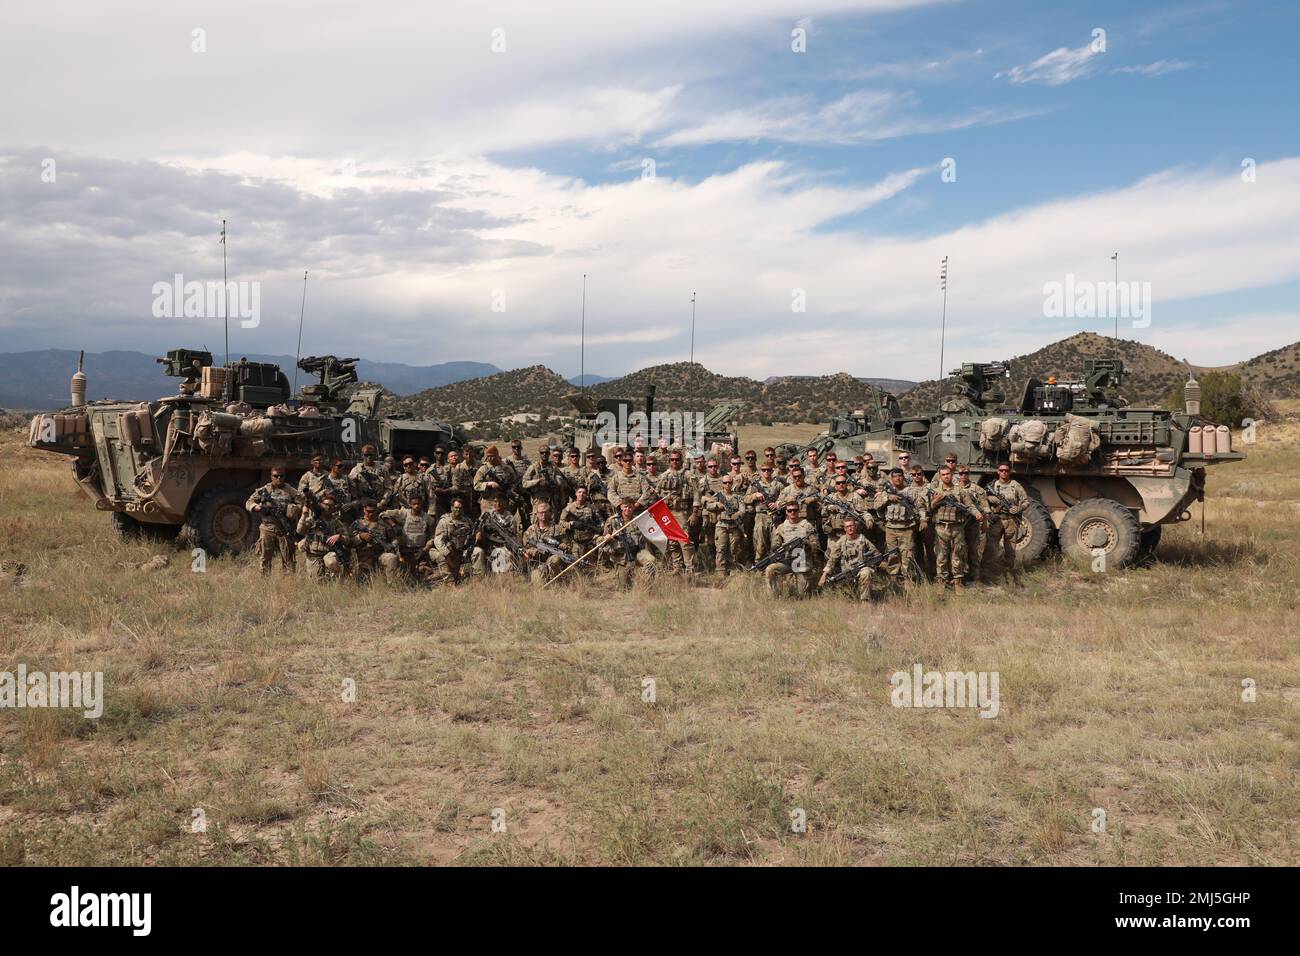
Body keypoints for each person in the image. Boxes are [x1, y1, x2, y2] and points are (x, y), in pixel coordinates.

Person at [872, 468, 928, 591]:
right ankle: (893, 580)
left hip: (907, 529)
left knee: (907, 555)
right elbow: (875, 506)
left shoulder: (911, 492)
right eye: (895, 476)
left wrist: (923, 520)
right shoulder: (885, 492)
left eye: (900, 476)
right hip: (891, 528)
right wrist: (887, 498)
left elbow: (921, 507)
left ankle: (907, 579)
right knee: (892, 555)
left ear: (903, 477)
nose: (898, 478)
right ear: (891, 479)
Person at [929, 468, 984, 591]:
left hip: (957, 528)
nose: (946, 476)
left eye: (948, 474)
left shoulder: (961, 491)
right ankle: (942, 582)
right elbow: (928, 509)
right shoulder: (935, 492)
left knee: (957, 556)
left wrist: (977, 514)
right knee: (941, 557)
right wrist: (935, 502)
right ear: (940, 476)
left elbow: (970, 506)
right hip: (941, 528)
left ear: (952, 475)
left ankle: (958, 582)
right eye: (943, 475)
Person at [246, 468, 303, 575]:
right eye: (276, 476)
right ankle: (264, 583)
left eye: (281, 476)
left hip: (284, 528)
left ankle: (289, 584)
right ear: (271, 477)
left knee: (288, 559)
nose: (279, 478)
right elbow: (249, 502)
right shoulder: (264, 490)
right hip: (268, 527)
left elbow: (301, 503)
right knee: (265, 558)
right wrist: (256, 507)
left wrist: (290, 509)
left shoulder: (290, 490)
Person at [818, 514, 881, 602]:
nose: (850, 528)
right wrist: (824, 575)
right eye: (847, 527)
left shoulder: (863, 539)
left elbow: (876, 553)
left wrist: (876, 564)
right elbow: (832, 559)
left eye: (851, 526)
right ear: (844, 529)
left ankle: (865, 601)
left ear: (855, 526)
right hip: (847, 573)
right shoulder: (841, 542)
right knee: (848, 598)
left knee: (865, 573)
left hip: (861, 570)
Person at [984, 463, 1029, 586]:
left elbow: (1026, 502)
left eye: (1006, 470)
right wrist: (990, 501)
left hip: (1011, 520)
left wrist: (1019, 508)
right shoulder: (993, 485)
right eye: (1001, 470)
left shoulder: (1015, 485)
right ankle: (988, 574)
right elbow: (983, 499)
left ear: (1010, 472)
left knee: (1010, 549)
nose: (1004, 472)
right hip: (996, 520)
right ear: (998, 472)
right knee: (991, 547)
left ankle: (1008, 573)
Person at [653, 449, 697, 575]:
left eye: (677, 459)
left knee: (685, 540)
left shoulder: (687, 475)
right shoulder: (664, 476)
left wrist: (695, 512)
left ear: (681, 461)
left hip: (682, 513)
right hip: (668, 513)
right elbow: (657, 494)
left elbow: (697, 492)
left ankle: (690, 569)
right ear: (669, 461)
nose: (674, 462)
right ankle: (677, 567)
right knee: (672, 541)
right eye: (672, 459)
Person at [379, 494, 438, 584]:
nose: (417, 506)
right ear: (410, 504)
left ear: (421, 504)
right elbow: (383, 514)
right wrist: (393, 525)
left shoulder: (427, 518)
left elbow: (433, 536)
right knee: (407, 574)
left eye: (418, 504)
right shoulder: (404, 513)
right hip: (406, 550)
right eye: (414, 504)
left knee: (423, 573)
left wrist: (425, 549)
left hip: (421, 550)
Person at [600, 499, 657, 589]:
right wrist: (607, 537)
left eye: (630, 507)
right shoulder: (612, 520)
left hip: (637, 553)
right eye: (625, 506)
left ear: (633, 507)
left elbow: (647, 536)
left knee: (651, 562)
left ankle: (647, 589)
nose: (628, 509)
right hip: (621, 557)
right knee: (624, 588)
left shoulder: (638, 519)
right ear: (621, 507)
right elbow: (602, 538)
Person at [764, 504, 818, 597]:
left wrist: (807, 545)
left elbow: (816, 546)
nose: (792, 512)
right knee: (770, 569)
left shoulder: (807, 526)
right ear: (786, 512)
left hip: (802, 562)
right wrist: (781, 550)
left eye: (795, 510)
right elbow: (775, 546)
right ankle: (774, 598)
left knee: (802, 595)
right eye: (789, 510)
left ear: (799, 511)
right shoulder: (781, 527)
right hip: (787, 561)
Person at [297, 491, 349, 579]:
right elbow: (300, 531)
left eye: (331, 505)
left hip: (329, 553)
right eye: (326, 504)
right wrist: (304, 514)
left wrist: (339, 537)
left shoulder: (335, 522)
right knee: (316, 582)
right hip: (313, 554)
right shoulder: (312, 519)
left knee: (332, 562)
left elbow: (347, 539)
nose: (328, 507)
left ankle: (337, 582)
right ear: (321, 505)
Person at [705, 474, 745, 575]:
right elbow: (708, 505)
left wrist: (738, 514)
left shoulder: (738, 496)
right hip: (721, 525)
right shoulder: (718, 496)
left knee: (734, 549)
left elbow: (743, 510)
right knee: (721, 548)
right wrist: (716, 505)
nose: (727, 484)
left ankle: (733, 569)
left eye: (729, 482)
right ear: (722, 484)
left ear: (732, 483)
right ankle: (720, 571)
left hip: (734, 526)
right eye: (725, 482)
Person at [522, 502, 569, 585]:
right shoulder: (530, 530)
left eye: (545, 512)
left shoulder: (557, 528)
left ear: (550, 513)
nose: (543, 515)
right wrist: (532, 551)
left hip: (551, 560)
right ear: (537, 514)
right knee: (538, 583)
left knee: (556, 559)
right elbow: (525, 548)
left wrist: (562, 546)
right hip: (536, 563)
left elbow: (566, 545)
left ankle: (556, 582)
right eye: (540, 512)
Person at [432, 498, 474, 584]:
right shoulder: (444, 521)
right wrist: (447, 554)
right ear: (451, 507)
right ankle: (450, 583)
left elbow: (472, 535)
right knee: (442, 556)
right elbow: (438, 540)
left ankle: (477, 578)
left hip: (463, 552)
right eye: (456, 507)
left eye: (460, 508)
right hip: (450, 552)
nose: (458, 510)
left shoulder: (468, 521)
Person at [348, 500, 391, 583]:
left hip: (380, 554)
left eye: (373, 511)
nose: (371, 514)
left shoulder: (383, 523)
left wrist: (390, 545)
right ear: (364, 509)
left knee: (391, 558)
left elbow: (393, 538)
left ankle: (392, 585)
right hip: (363, 556)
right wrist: (360, 536)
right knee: (364, 582)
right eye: (368, 511)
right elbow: (349, 542)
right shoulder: (358, 524)